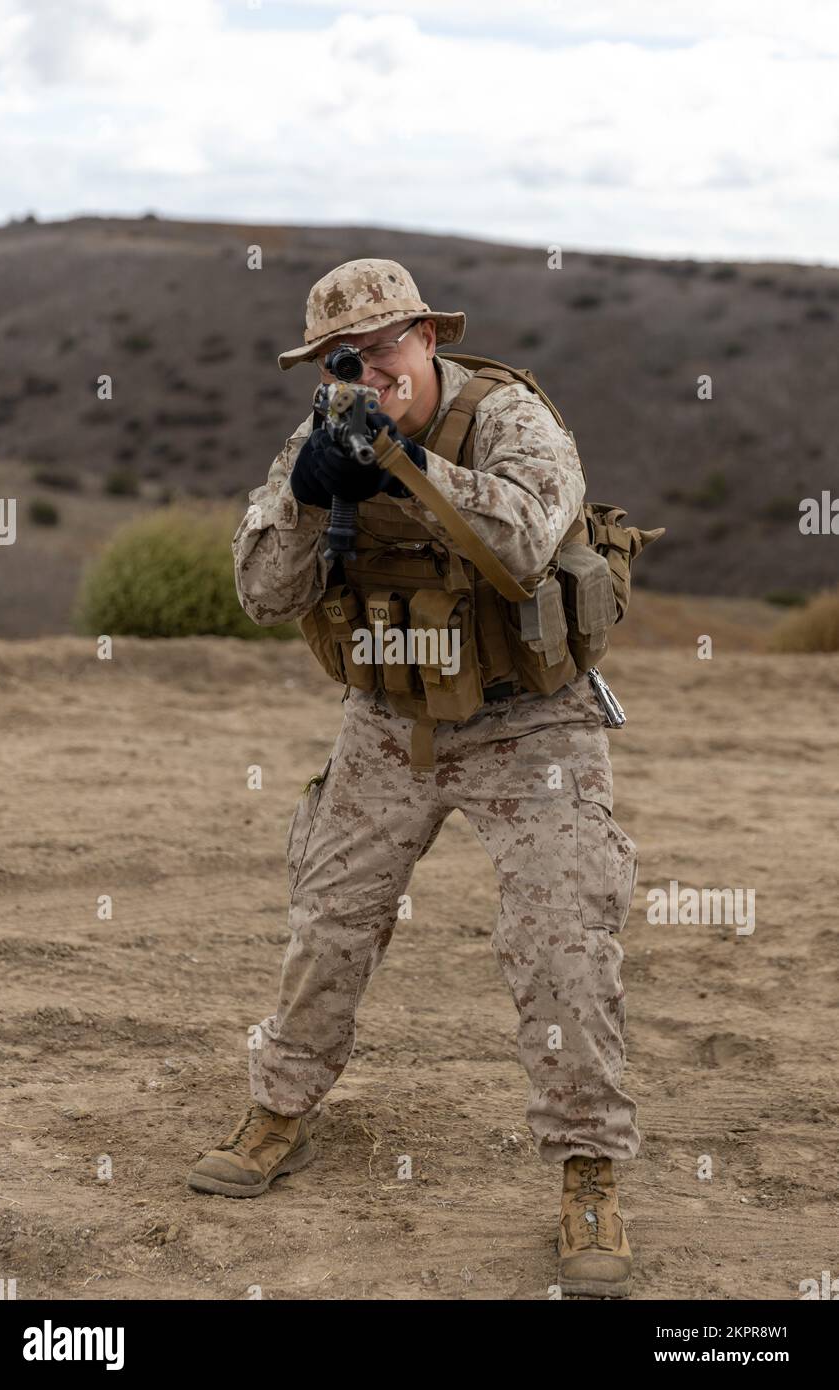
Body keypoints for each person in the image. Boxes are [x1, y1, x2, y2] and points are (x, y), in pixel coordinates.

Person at [188, 258, 640, 1298]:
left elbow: (526, 546)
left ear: (429, 337)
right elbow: (261, 593)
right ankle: (279, 1111)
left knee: (559, 936)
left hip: (531, 723)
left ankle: (587, 1168)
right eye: (344, 358)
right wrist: (309, 498)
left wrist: (399, 462)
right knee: (330, 915)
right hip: (389, 723)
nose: (369, 370)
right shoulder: (321, 438)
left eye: (387, 346)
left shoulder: (509, 421)